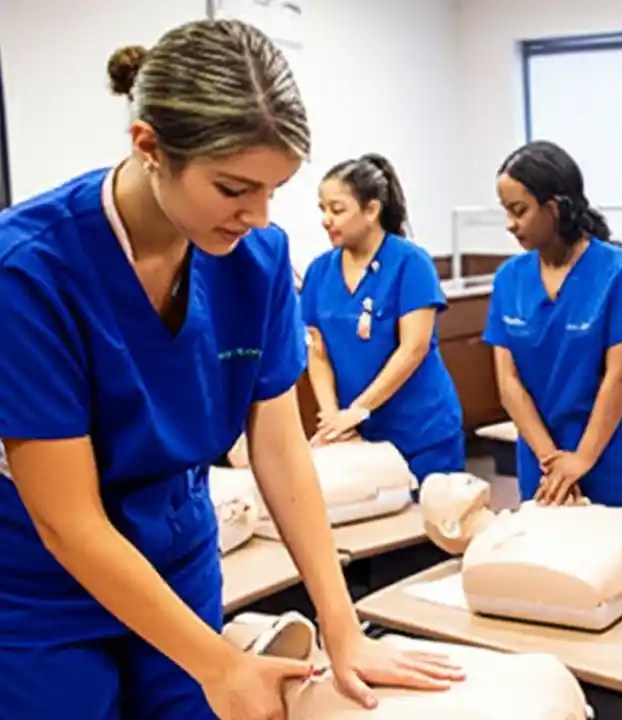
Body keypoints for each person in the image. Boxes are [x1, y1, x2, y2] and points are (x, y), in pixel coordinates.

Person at [0, 20, 462, 720]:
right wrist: (220, 663)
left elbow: (278, 451)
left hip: (179, 556)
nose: (258, 215)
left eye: (275, 190)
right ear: (149, 147)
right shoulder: (30, 270)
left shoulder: (259, 258)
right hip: (48, 589)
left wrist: (344, 629)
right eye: (234, 188)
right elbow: (69, 521)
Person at [484, 140, 622, 522]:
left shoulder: (618, 273)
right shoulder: (509, 280)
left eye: (519, 211)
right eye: (507, 211)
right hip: (541, 460)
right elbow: (509, 382)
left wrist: (581, 459)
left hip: (613, 457)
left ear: (554, 208)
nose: (510, 224)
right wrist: (552, 461)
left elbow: (619, 377)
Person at [300, 153, 465, 488]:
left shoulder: (410, 262)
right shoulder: (319, 271)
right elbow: (317, 350)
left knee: (432, 526)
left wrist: (359, 409)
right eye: (322, 209)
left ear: (371, 210)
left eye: (337, 209)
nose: (326, 219)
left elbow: (413, 348)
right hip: (361, 437)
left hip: (420, 431)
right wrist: (334, 417)